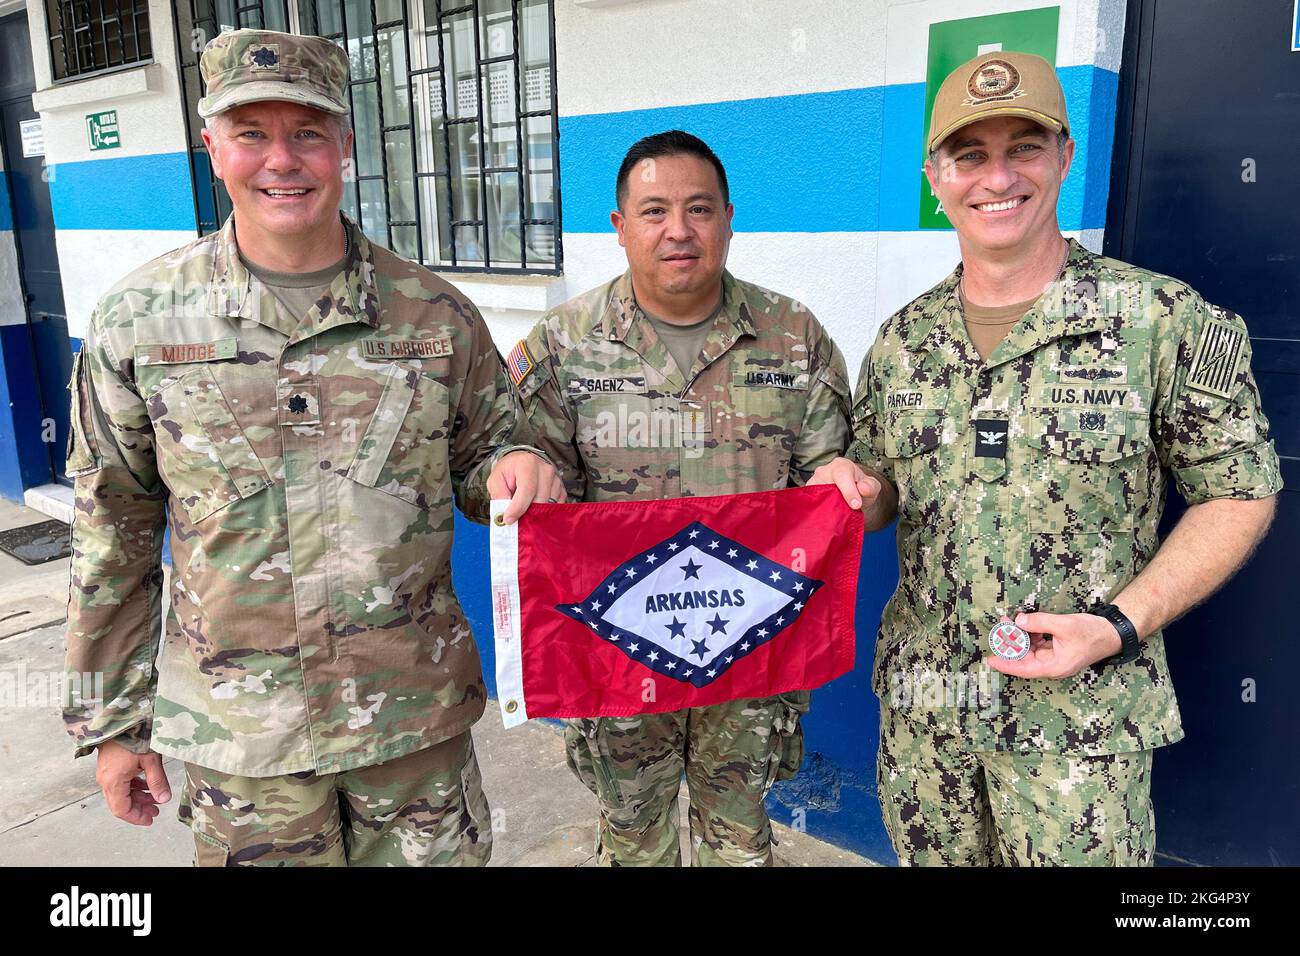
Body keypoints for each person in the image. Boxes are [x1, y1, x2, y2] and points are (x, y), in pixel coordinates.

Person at [62, 29, 561, 866]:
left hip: (411, 730)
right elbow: (110, 528)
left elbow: (488, 459)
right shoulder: (138, 323)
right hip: (241, 744)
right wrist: (112, 724)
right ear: (212, 146)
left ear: (346, 147)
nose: (281, 160)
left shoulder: (433, 317)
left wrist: (517, 466)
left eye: (308, 133)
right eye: (251, 133)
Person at [811, 51, 1281, 865]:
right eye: (969, 155)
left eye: (1023, 147)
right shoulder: (901, 342)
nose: (997, 176)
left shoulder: (1162, 321)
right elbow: (881, 488)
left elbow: (1238, 493)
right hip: (929, 717)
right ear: (935, 176)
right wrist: (850, 487)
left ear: (1066, 155)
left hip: (1082, 728)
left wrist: (1118, 627)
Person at [508, 130, 852, 865]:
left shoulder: (794, 338)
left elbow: (830, 472)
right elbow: (514, 469)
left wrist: (842, 482)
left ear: (729, 218)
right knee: (634, 840)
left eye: (699, 209)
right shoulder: (564, 345)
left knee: (741, 842)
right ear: (620, 226)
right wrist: (519, 470)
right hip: (618, 649)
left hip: (751, 653)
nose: (678, 230)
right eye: (655, 210)